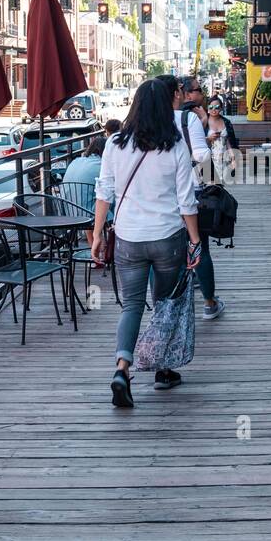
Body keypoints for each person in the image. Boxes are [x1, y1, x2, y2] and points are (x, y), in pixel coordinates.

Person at [92, 80, 202, 407]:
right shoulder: (176, 146)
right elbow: (187, 202)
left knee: (132, 305)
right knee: (165, 304)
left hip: (128, 238)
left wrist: (98, 234)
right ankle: (162, 370)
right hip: (167, 237)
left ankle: (122, 369)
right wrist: (195, 241)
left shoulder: (114, 143)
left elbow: (104, 191)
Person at [156, 74, 226, 321]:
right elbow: (202, 157)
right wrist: (213, 182)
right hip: (192, 190)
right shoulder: (188, 119)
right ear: (176, 93)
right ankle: (209, 303)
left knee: (164, 251)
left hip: (160, 195)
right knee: (200, 247)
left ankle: (164, 307)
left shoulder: (148, 120)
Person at [61, 135, 106, 239]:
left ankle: (95, 248)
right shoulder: (102, 165)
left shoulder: (76, 161)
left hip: (68, 212)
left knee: (90, 199)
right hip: (88, 214)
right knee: (107, 201)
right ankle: (104, 244)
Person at [204, 96, 239, 183]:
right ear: (208, 108)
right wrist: (209, 138)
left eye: (217, 107)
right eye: (211, 107)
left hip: (224, 159)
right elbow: (197, 142)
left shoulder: (226, 122)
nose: (214, 110)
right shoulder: (204, 122)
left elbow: (229, 141)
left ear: (221, 108)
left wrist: (233, 158)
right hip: (208, 158)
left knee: (222, 186)